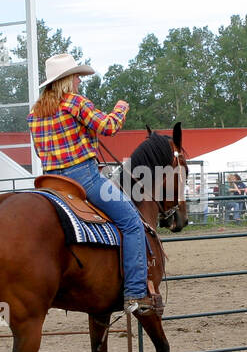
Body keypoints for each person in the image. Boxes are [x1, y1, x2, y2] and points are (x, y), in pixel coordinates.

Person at [28, 52, 159, 316]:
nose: (79, 81)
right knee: (132, 222)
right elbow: (109, 127)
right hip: (83, 177)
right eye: (76, 76)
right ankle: (135, 293)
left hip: (50, 182)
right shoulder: (75, 103)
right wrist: (121, 107)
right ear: (65, 80)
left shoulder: (35, 113)